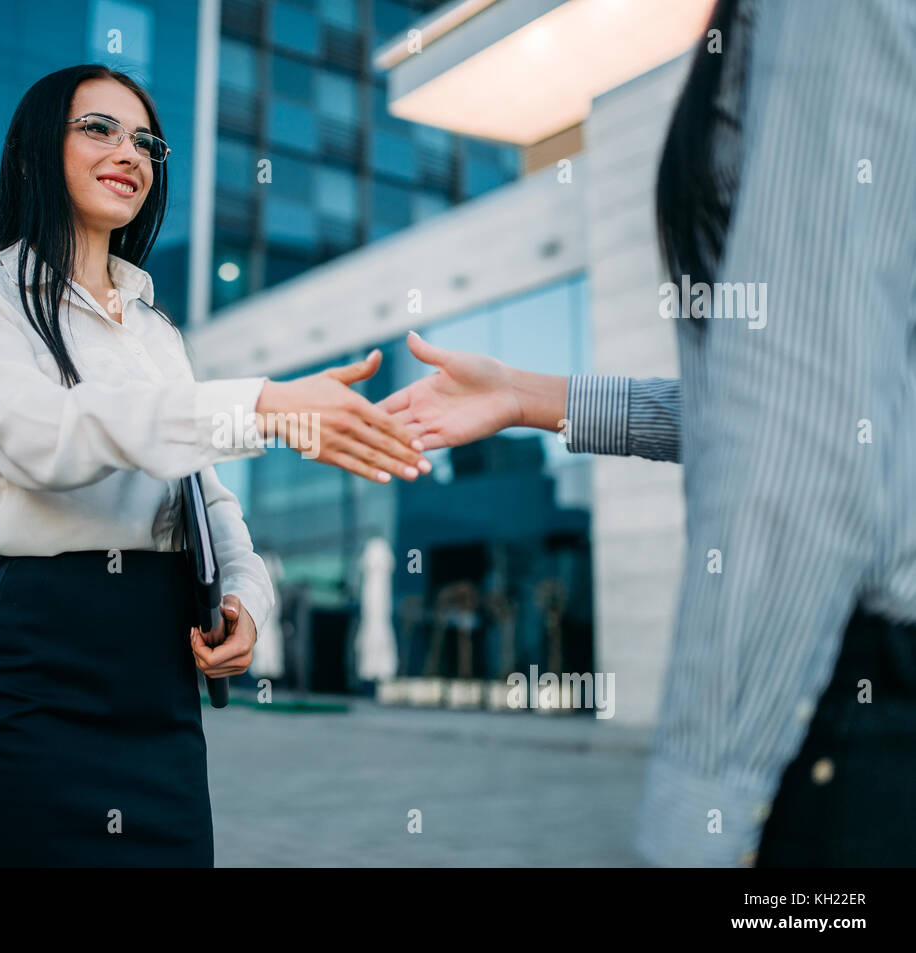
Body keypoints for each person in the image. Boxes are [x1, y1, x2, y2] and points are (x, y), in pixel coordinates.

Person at [379, 0, 916, 866]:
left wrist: (700, 806)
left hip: (861, 721)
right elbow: (840, 407)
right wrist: (527, 394)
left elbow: (800, 430)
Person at [0, 64, 431, 867]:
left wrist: (248, 602)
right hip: (35, 664)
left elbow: (208, 501)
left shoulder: (154, 330)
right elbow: (46, 440)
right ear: (39, 148)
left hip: (158, 681)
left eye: (147, 140)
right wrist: (260, 406)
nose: (132, 153)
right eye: (101, 129)